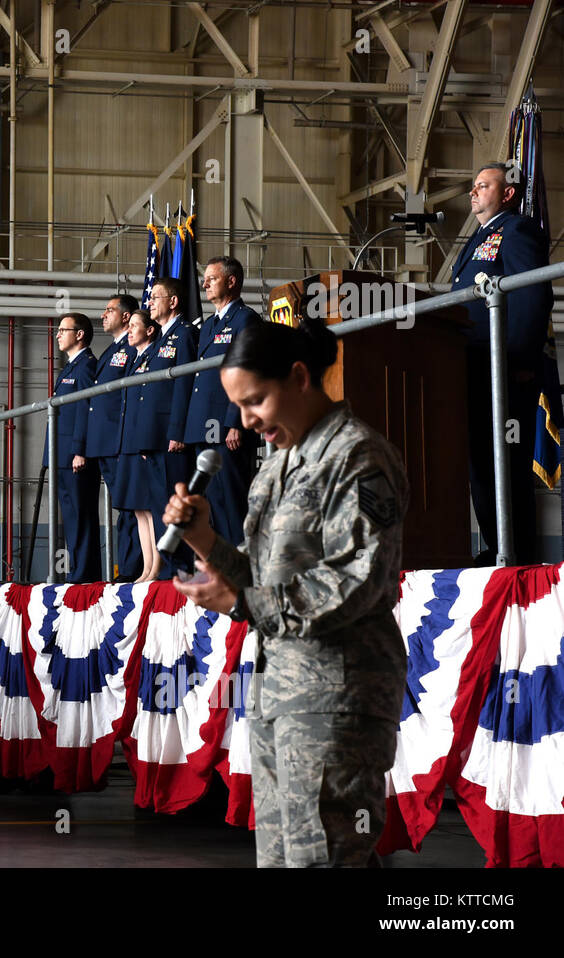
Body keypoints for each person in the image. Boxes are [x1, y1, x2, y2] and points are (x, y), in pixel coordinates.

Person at [165, 318, 408, 867]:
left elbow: (355, 580)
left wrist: (243, 604)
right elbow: (267, 574)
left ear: (299, 377)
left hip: (339, 696)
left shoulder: (357, 458)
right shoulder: (277, 466)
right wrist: (204, 541)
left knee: (323, 858)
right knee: (282, 861)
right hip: (281, 692)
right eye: (240, 408)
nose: (247, 421)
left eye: (256, 402)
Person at [451, 162, 553, 566]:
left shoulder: (517, 230)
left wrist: (521, 361)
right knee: (481, 465)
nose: (473, 192)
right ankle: (498, 550)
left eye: (483, 185)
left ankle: (518, 557)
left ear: (507, 193)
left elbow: (531, 295)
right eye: (473, 186)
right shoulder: (477, 237)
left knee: (505, 465)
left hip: (505, 370)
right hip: (473, 369)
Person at [118, 277, 198, 578]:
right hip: (152, 437)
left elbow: (185, 384)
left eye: (155, 297)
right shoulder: (162, 339)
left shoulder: (185, 334)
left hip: (169, 436)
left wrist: (177, 430)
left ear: (173, 301)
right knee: (158, 506)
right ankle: (167, 571)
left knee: (173, 505)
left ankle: (180, 571)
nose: (149, 302)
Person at [183, 256, 260, 545]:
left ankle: (240, 572)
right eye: (204, 279)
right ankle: (222, 569)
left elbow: (247, 372)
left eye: (212, 278)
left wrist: (235, 423)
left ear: (231, 281)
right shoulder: (209, 325)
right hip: (203, 426)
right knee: (211, 505)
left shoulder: (245, 319)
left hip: (227, 428)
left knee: (232, 503)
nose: (204, 283)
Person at [45, 312, 101, 583]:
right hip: (62, 453)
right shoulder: (70, 367)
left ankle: (84, 574)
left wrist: (81, 450)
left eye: (63, 330)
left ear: (79, 334)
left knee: (81, 514)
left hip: (75, 455)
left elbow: (87, 410)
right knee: (71, 517)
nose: (57, 334)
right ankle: (77, 571)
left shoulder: (87, 366)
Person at [86, 296, 137, 580]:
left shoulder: (131, 348)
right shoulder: (111, 350)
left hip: (120, 438)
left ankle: (131, 569)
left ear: (127, 317)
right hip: (105, 440)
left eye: (110, 310)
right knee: (122, 507)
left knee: (130, 507)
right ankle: (127, 567)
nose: (103, 314)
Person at [113, 310, 163, 581]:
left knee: (150, 506)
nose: (129, 330)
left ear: (150, 330)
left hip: (145, 442)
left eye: (134, 326)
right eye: (128, 326)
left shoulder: (155, 356)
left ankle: (157, 566)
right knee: (138, 507)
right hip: (130, 441)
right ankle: (146, 566)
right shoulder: (136, 359)